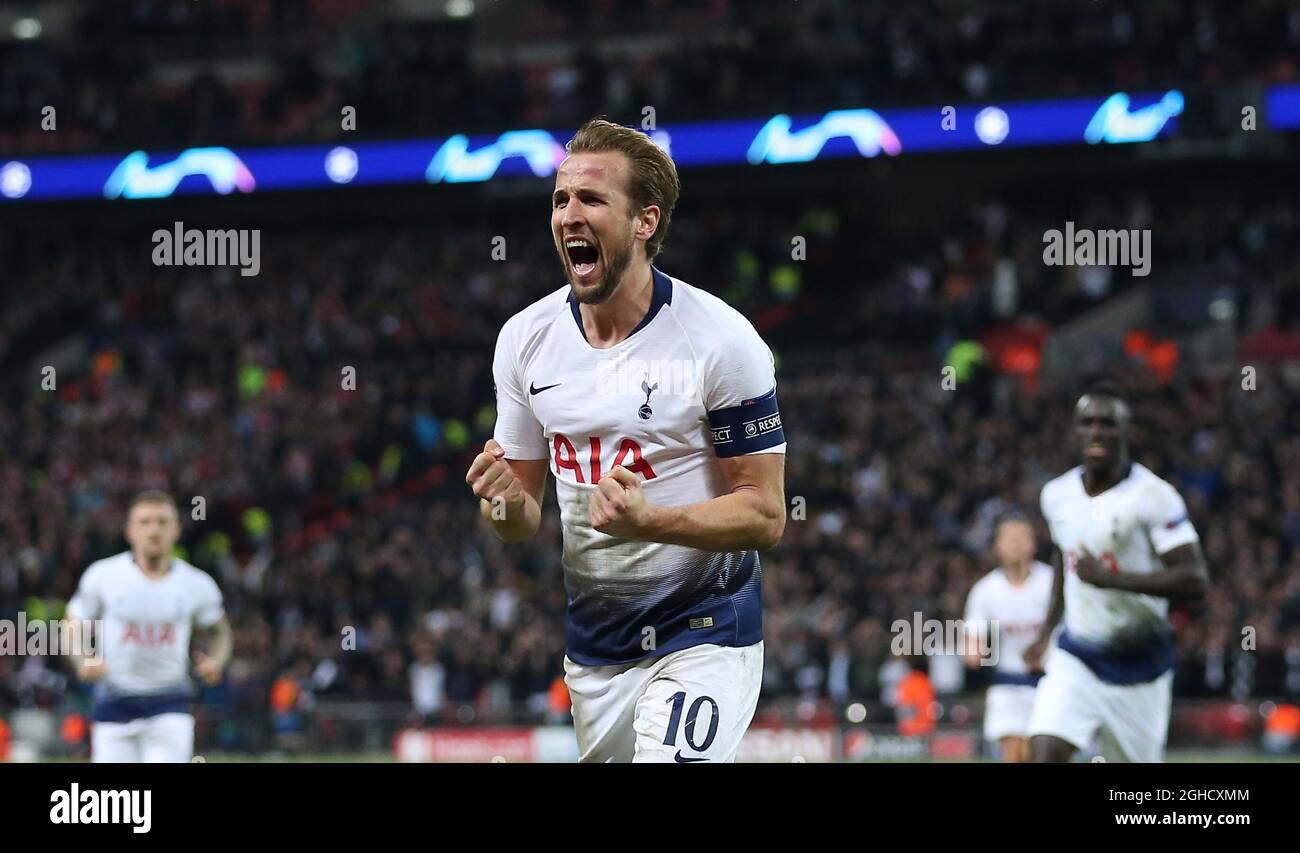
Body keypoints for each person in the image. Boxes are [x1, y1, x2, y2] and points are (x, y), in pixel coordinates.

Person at [466, 118, 786, 762]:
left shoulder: (720, 341)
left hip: (705, 632)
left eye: (591, 200)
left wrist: (653, 519)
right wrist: (499, 502)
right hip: (595, 651)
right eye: (560, 199)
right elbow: (520, 519)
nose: (568, 214)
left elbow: (765, 512)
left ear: (644, 222)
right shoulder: (525, 340)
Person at [1024, 384, 1208, 762]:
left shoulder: (1154, 497)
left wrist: (1114, 580)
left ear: (1127, 432)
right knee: (1043, 752)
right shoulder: (1057, 495)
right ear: (1074, 431)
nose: (1096, 431)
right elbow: (1064, 559)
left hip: (1141, 666)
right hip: (1078, 657)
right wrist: (1046, 632)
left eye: (1107, 423)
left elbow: (1194, 580)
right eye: (1087, 422)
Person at [67, 490, 230, 762]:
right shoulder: (103, 576)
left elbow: (220, 630)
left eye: (162, 522)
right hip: (113, 705)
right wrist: (82, 660)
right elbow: (72, 624)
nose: (154, 530)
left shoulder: (196, 584)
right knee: (116, 804)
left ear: (176, 529)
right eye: (145, 522)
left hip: (169, 704)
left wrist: (217, 660)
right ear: (129, 530)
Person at [963, 515, 1053, 762]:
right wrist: (973, 649)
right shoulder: (985, 590)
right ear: (997, 546)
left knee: (1039, 752)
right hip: (1008, 685)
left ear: (1033, 544)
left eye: (1021, 538)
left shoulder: (1051, 582)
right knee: (1013, 753)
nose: (1015, 544)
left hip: (1049, 684)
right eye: (1008, 538)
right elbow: (973, 635)